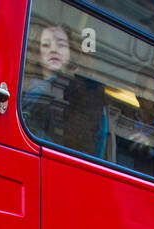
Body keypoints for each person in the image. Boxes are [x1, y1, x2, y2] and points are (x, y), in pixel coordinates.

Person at [21, 22, 106, 155]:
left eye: (60, 44)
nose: (53, 50)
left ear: (70, 53)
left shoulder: (85, 95)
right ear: (38, 52)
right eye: (46, 45)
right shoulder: (27, 89)